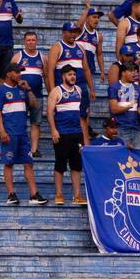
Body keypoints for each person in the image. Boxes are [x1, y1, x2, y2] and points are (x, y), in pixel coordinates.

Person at [0, 61, 49, 205]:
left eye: (20, 71)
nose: (20, 74)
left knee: (29, 163)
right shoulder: (0, 91)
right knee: (9, 163)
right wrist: (2, 131)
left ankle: (33, 195)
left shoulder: (21, 89)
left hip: (23, 134)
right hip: (9, 133)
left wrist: (29, 90)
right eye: (17, 72)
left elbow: (34, 105)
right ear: (8, 73)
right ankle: (11, 194)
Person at [46, 65, 90, 204]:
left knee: (76, 166)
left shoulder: (79, 90)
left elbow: (82, 115)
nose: (73, 77)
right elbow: (49, 113)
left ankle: (77, 196)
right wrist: (53, 130)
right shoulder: (56, 91)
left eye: (74, 75)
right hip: (62, 134)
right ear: (63, 76)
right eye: (70, 74)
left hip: (77, 133)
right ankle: (59, 194)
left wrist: (85, 136)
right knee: (60, 165)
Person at [47, 21, 94, 117]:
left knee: (84, 116)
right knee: (63, 116)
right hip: (64, 90)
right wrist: (52, 91)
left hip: (81, 88)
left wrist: (92, 89)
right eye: (70, 32)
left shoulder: (80, 48)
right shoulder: (57, 48)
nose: (73, 34)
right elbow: (50, 71)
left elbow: (86, 70)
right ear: (63, 32)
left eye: (75, 32)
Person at [16, 30, 47, 157]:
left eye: (33, 40)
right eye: (28, 40)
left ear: (36, 41)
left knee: (36, 123)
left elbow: (46, 77)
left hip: (37, 95)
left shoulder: (42, 58)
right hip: (21, 96)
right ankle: (20, 149)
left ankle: (34, 150)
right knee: (20, 123)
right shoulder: (18, 57)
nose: (31, 42)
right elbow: (11, 75)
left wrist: (51, 92)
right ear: (24, 42)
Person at [108, 61, 140, 149]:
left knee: (138, 158)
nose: (134, 74)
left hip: (136, 129)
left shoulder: (138, 89)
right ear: (123, 73)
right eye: (131, 71)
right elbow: (114, 109)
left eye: (135, 71)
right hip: (121, 129)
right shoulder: (114, 87)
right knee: (122, 158)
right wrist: (129, 106)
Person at [75, 0, 106, 84]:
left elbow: (99, 54)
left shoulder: (98, 36)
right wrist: (87, 9)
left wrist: (102, 71)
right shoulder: (81, 30)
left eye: (98, 17)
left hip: (89, 70)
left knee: (86, 94)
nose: (97, 20)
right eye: (94, 17)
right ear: (87, 18)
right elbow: (78, 25)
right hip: (76, 68)